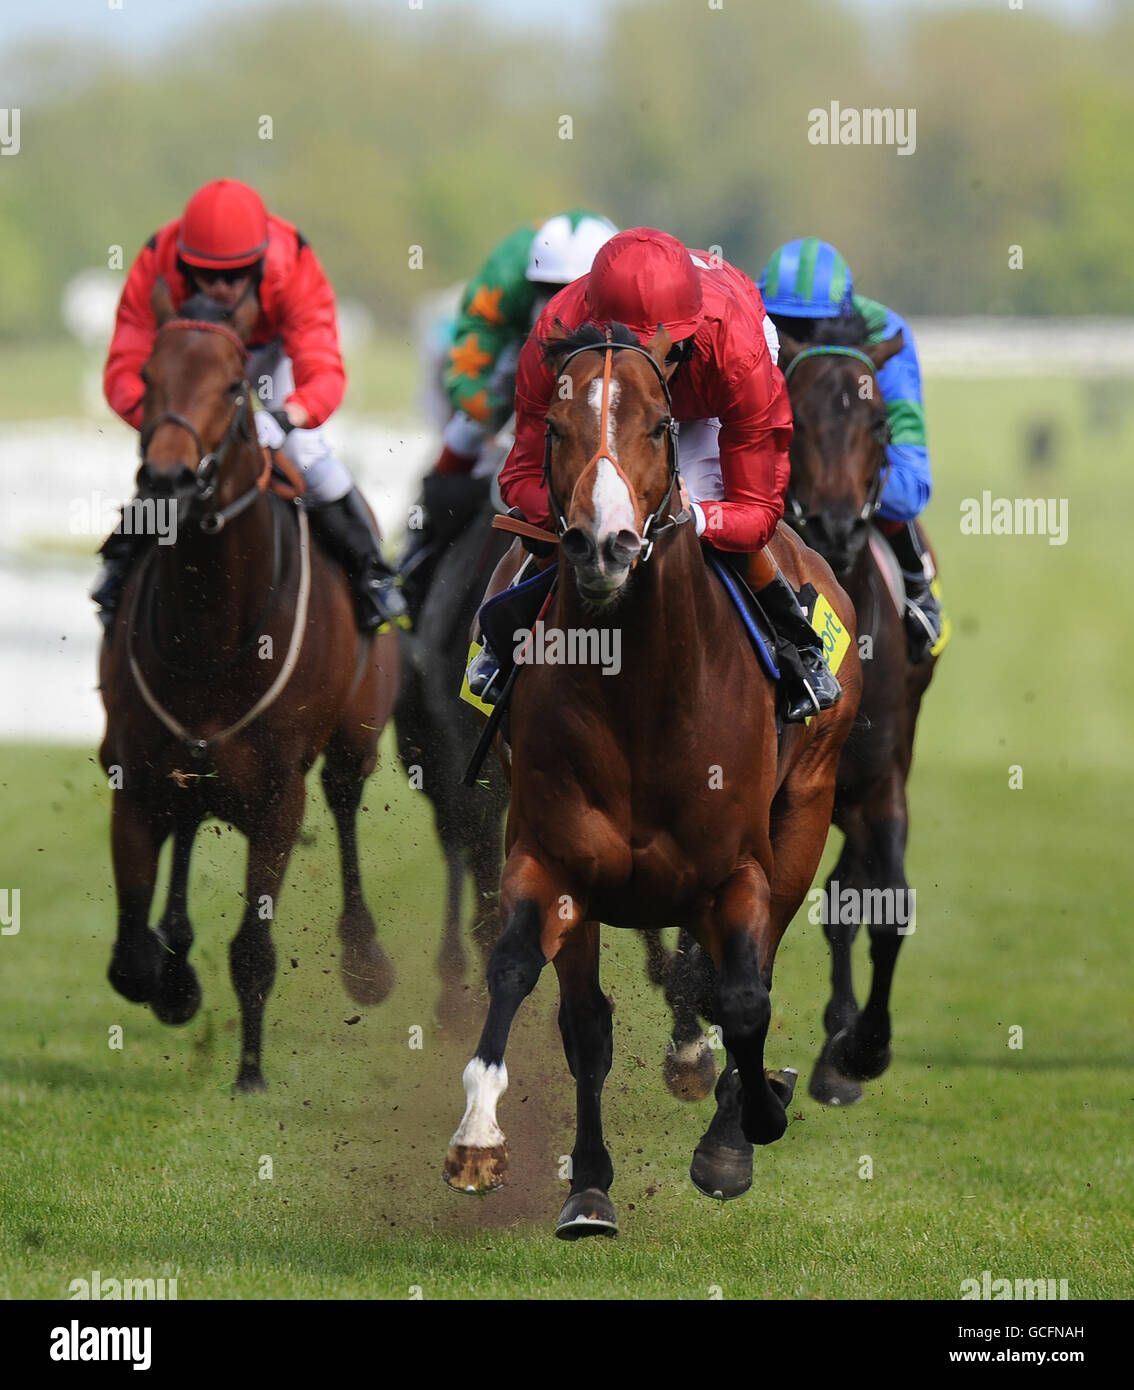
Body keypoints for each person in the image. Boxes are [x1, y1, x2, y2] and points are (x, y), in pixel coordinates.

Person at [468, 226, 843, 722]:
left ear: (685, 338)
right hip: (609, 398)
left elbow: (758, 509)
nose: (646, 365)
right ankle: (505, 640)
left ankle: (798, 643)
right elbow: (520, 476)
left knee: (704, 510)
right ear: (597, 331)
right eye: (625, 347)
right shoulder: (555, 333)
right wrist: (574, 517)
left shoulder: (738, 351)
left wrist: (698, 516)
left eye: (660, 350)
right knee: (565, 515)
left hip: (712, 389)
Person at [96, 177, 406, 635]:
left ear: (259, 265)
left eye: (236, 275)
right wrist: (173, 431)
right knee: (168, 461)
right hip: (192, 356)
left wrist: (287, 417)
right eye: (208, 276)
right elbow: (124, 368)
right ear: (183, 265)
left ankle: (373, 571)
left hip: (271, 352)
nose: (222, 288)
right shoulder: (155, 264)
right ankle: (118, 566)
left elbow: (323, 372)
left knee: (307, 455)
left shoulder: (295, 266)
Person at [399, 210, 618, 621]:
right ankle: (419, 553)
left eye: (572, 289)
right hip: (522, 348)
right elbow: (474, 345)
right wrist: (486, 412)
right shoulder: (505, 274)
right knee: (463, 432)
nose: (558, 301)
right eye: (548, 289)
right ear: (530, 282)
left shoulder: (627, 285)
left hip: (603, 352)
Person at [758, 236, 942, 660]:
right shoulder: (741, 321)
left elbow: (913, 485)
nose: (795, 341)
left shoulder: (887, 334)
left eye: (813, 328)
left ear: (845, 318)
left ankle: (918, 594)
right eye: (782, 325)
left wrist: (838, 475)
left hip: (849, 497)